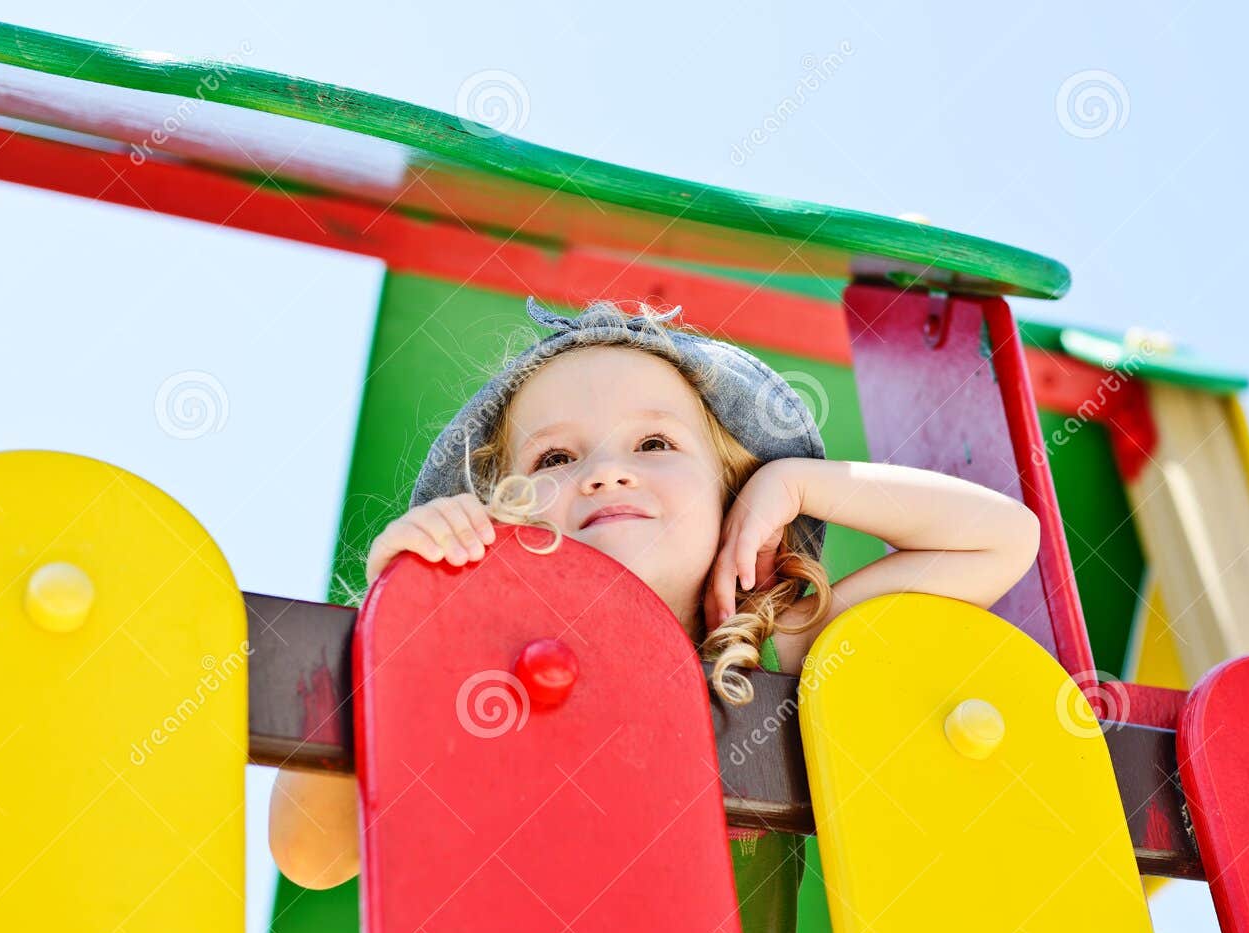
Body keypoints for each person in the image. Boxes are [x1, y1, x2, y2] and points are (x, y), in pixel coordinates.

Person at [270, 296, 1040, 890]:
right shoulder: (478, 675)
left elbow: (1002, 537)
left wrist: (794, 482)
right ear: (505, 517)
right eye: (557, 457)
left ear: (731, 499)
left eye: (653, 444)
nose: (604, 471)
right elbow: (310, 855)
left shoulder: (780, 655)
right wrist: (391, 621)